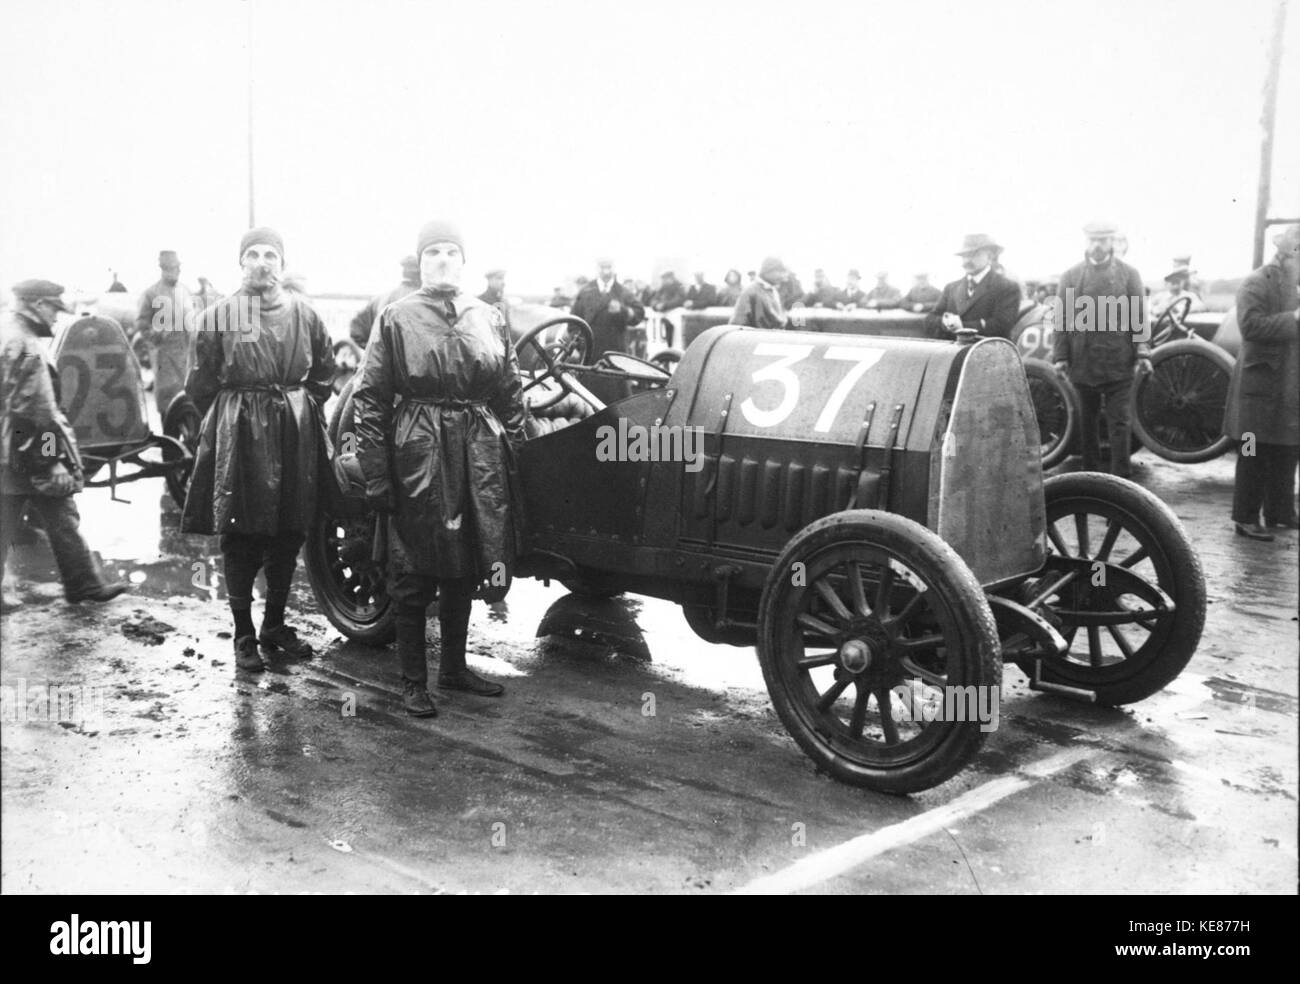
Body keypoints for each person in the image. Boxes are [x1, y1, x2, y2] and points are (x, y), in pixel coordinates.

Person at [352, 220, 526, 715]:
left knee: (465, 561)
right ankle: (412, 681)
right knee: (413, 567)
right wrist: (379, 473)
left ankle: (453, 668)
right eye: (434, 253)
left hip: (478, 452)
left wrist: (519, 454)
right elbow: (370, 398)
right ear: (421, 262)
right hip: (419, 449)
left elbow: (509, 392)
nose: (445, 260)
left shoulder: (487, 316)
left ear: (465, 262)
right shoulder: (396, 317)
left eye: (453, 252)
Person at [181, 228, 335, 671]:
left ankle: (274, 625)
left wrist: (296, 408)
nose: (262, 261)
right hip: (239, 430)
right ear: (241, 262)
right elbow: (201, 382)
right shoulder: (218, 316)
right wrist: (230, 418)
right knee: (240, 531)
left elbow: (324, 371)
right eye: (253, 254)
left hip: (292, 426)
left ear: (281, 264)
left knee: (290, 529)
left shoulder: (306, 315)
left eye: (271, 254)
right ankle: (244, 634)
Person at [2, 280, 129, 612]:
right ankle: (83, 584)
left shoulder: (8, 331)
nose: (56, 318)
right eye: (53, 309)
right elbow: (37, 416)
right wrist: (50, 461)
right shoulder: (26, 344)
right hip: (25, 450)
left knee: (28, 516)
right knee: (56, 510)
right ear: (38, 305)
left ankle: (83, 583)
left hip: (9, 448)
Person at [1050, 221, 1151, 478]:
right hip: (1083, 363)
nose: (1097, 246)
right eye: (1093, 240)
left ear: (1112, 242)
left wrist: (1142, 351)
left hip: (1119, 362)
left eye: (1103, 240)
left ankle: (1122, 489)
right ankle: (1091, 484)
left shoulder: (1129, 275)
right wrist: (1061, 357)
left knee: (1120, 425)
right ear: (1086, 242)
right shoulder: (1071, 277)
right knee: (1087, 426)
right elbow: (1061, 321)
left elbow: (1139, 316)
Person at [1222, 223, 1300, 540]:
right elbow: (1250, 326)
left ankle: (1280, 512)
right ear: (1285, 253)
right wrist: (1294, 319)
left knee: (1287, 449)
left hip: (1288, 387)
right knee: (1253, 452)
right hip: (1258, 390)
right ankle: (1245, 517)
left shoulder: (1293, 283)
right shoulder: (1257, 282)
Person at [569, 258, 645, 403]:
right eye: (602, 267)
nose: (606, 271)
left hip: (615, 353)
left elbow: (638, 313)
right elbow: (573, 323)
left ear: (614, 268)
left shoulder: (623, 292)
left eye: (609, 267)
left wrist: (623, 311)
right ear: (596, 268)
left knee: (617, 400)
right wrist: (579, 345)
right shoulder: (586, 292)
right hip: (590, 354)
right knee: (588, 400)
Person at [134, 250, 196, 414]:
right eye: (173, 268)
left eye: (178, 267)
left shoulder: (185, 291)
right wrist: (157, 337)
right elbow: (141, 323)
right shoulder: (151, 294)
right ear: (164, 269)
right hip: (165, 359)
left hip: (187, 356)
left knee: (189, 403)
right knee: (168, 406)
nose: (177, 271)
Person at [928, 234, 1022, 340]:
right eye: (964, 256)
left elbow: (1003, 325)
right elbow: (930, 319)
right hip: (952, 352)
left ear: (989, 256)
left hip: (986, 352)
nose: (967, 260)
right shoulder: (951, 288)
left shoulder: (1007, 287)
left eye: (974, 254)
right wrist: (945, 323)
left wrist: (963, 326)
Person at [349, 255, 421, 348]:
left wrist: (375, 352)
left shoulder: (380, 299)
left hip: (383, 360)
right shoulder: (426, 301)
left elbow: (356, 330)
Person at [731, 256, 789, 331]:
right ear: (767, 271)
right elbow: (738, 323)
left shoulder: (773, 290)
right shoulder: (750, 291)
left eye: (783, 272)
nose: (782, 276)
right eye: (779, 271)